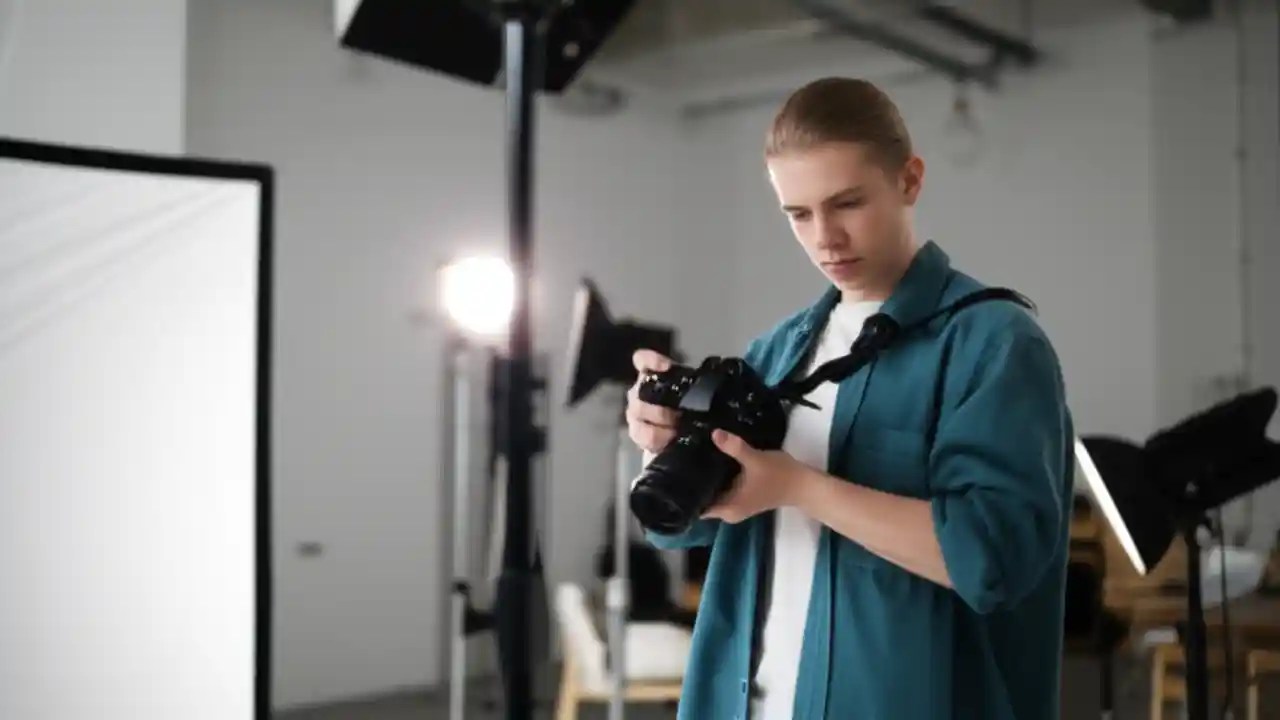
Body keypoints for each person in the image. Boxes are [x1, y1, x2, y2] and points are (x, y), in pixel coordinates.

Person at [625, 77, 1074, 720]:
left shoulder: (994, 343)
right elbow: (681, 532)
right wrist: (663, 446)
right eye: (798, 214)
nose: (825, 238)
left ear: (909, 180)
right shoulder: (776, 350)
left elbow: (991, 558)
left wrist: (798, 487)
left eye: (848, 203)